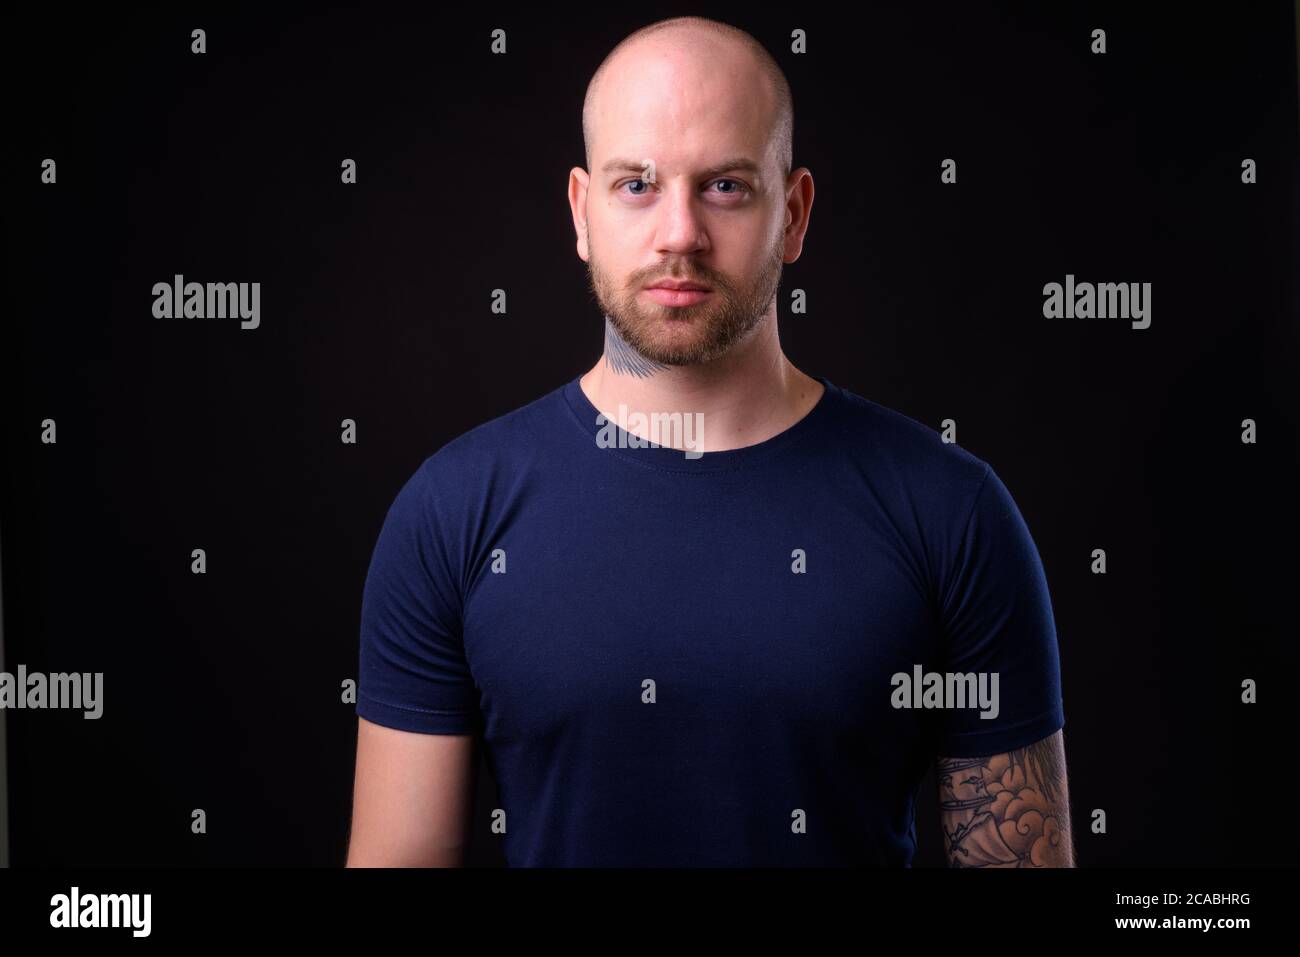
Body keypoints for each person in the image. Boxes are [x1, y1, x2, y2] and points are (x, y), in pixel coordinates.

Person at [345, 15, 1072, 867]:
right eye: (636, 186)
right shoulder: (452, 513)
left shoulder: (952, 512)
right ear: (582, 212)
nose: (680, 234)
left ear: (793, 214)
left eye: (725, 185)